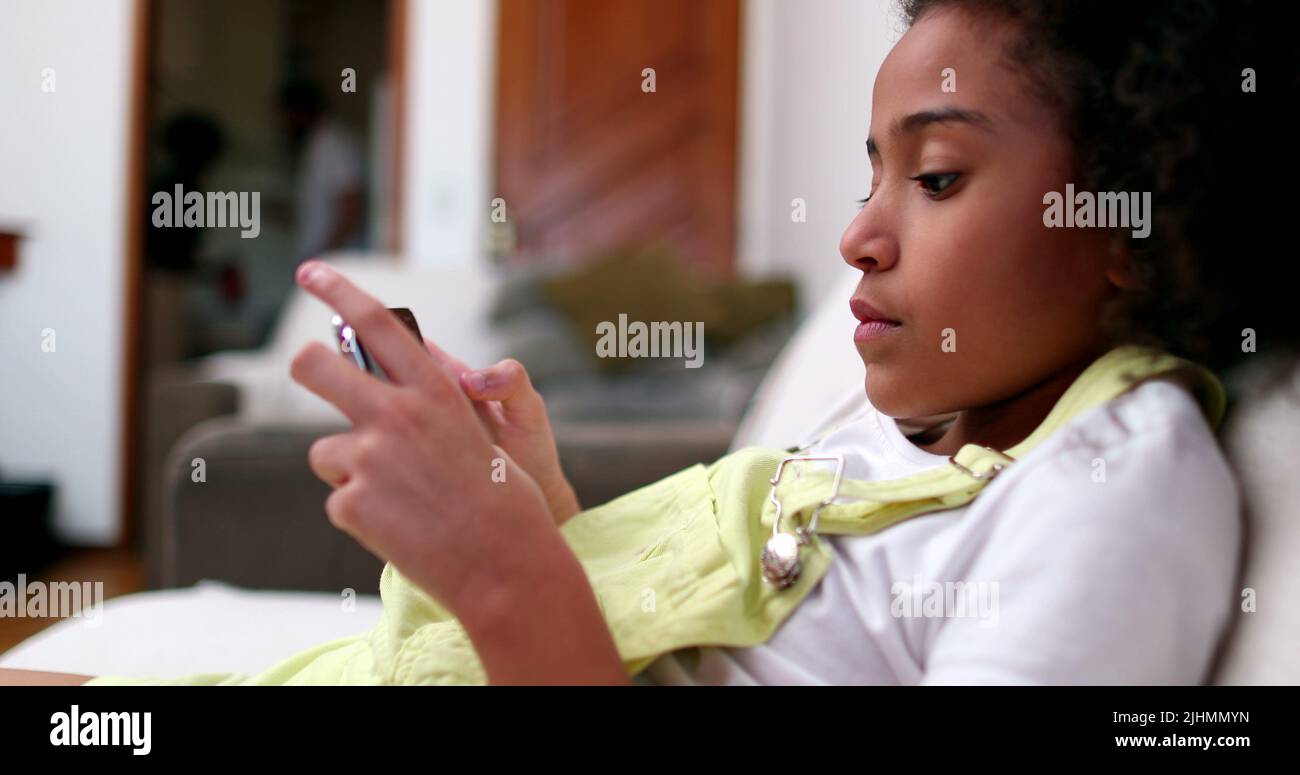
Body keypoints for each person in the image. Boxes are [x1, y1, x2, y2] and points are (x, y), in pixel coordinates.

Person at [4, 0, 1277, 686]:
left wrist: (510, 575)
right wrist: (543, 508)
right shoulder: (920, 434)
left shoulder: (1117, 485)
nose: (855, 235)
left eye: (935, 177)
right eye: (868, 175)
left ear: (1126, 216)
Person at [278, 79, 366, 264]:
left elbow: (351, 204)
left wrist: (326, 256)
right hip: (319, 264)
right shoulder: (315, 143)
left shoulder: (331, 143)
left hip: (335, 265)